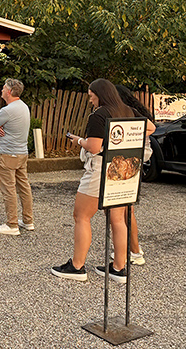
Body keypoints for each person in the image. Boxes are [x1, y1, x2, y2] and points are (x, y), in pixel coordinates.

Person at [52, 78, 132, 283]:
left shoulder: (99, 115)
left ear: (100, 94)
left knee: (81, 215)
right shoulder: (127, 111)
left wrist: (79, 140)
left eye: (91, 96)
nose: (90, 101)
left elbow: (95, 147)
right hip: (122, 169)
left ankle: (77, 266)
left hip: (99, 170)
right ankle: (119, 268)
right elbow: (146, 128)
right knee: (118, 219)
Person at [113, 84, 157, 266]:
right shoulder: (133, 111)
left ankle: (134, 251)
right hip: (131, 165)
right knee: (125, 211)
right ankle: (129, 250)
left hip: (128, 166)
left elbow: (151, 128)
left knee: (124, 212)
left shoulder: (128, 113)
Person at [0, 78, 33, 235]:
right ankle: (28, 220)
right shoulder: (24, 107)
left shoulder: (6, 110)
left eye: (3, 88)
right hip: (22, 152)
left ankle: (12, 224)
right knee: (24, 187)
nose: (1, 90)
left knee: (8, 189)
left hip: (7, 154)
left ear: (9, 91)